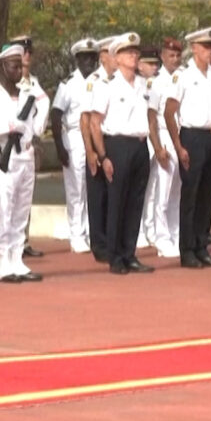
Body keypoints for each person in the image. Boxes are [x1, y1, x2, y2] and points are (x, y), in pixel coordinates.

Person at [0, 43, 48, 283]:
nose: (18, 70)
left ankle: (17, 259)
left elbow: (38, 123)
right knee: (5, 209)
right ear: (1, 67)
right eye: (13, 65)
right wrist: (7, 128)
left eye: (20, 65)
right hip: (4, 158)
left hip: (25, 158)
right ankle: (3, 261)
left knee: (22, 210)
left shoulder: (28, 94)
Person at [89, 33, 155, 275]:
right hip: (117, 145)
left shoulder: (142, 84)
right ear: (116, 58)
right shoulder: (107, 85)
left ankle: (130, 253)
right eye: (128, 53)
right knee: (116, 201)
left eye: (136, 52)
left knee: (135, 202)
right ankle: (115, 256)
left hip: (139, 145)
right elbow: (95, 123)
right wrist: (104, 156)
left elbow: (151, 113)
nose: (134, 56)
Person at [164, 27, 211, 269]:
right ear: (195, 49)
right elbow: (170, 112)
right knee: (190, 195)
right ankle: (187, 249)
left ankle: (202, 246)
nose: (210, 51)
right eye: (206, 47)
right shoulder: (183, 75)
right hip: (192, 136)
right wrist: (179, 146)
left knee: (207, 196)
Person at [50, 38, 99, 254]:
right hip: (75, 138)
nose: (89, 61)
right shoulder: (68, 84)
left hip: (96, 137)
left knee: (93, 187)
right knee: (76, 189)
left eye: (92, 57)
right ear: (77, 60)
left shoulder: (101, 81)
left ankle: (89, 231)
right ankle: (76, 235)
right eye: (84, 57)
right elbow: (56, 115)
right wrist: (60, 147)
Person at [6, 35, 49, 258]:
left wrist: (38, 131)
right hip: (8, 147)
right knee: (9, 198)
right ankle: (8, 244)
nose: (27, 57)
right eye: (23, 52)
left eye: (29, 53)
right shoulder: (7, 80)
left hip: (27, 145)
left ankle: (22, 240)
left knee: (24, 198)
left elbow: (43, 104)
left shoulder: (33, 83)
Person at [143, 38, 183, 257]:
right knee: (163, 193)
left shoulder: (183, 78)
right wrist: (157, 147)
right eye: (171, 55)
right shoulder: (156, 83)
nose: (175, 60)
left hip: (180, 137)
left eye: (178, 56)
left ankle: (175, 235)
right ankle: (161, 238)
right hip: (164, 136)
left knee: (177, 192)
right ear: (163, 56)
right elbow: (151, 118)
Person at [80, 37, 117, 263]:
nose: (115, 57)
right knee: (98, 196)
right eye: (111, 53)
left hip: (114, 141)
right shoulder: (94, 82)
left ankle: (113, 241)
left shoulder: (122, 80)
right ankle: (100, 244)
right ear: (102, 56)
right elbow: (84, 119)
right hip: (96, 141)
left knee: (115, 195)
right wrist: (90, 151)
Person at [135, 47, 162, 251]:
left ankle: (150, 227)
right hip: (139, 139)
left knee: (153, 188)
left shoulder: (154, 85)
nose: (154, 67)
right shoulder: (134, 85)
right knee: (139, 189)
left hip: (156, 137)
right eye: (150, 63)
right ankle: (139, 231)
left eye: (156, 64)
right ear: (140, 64)